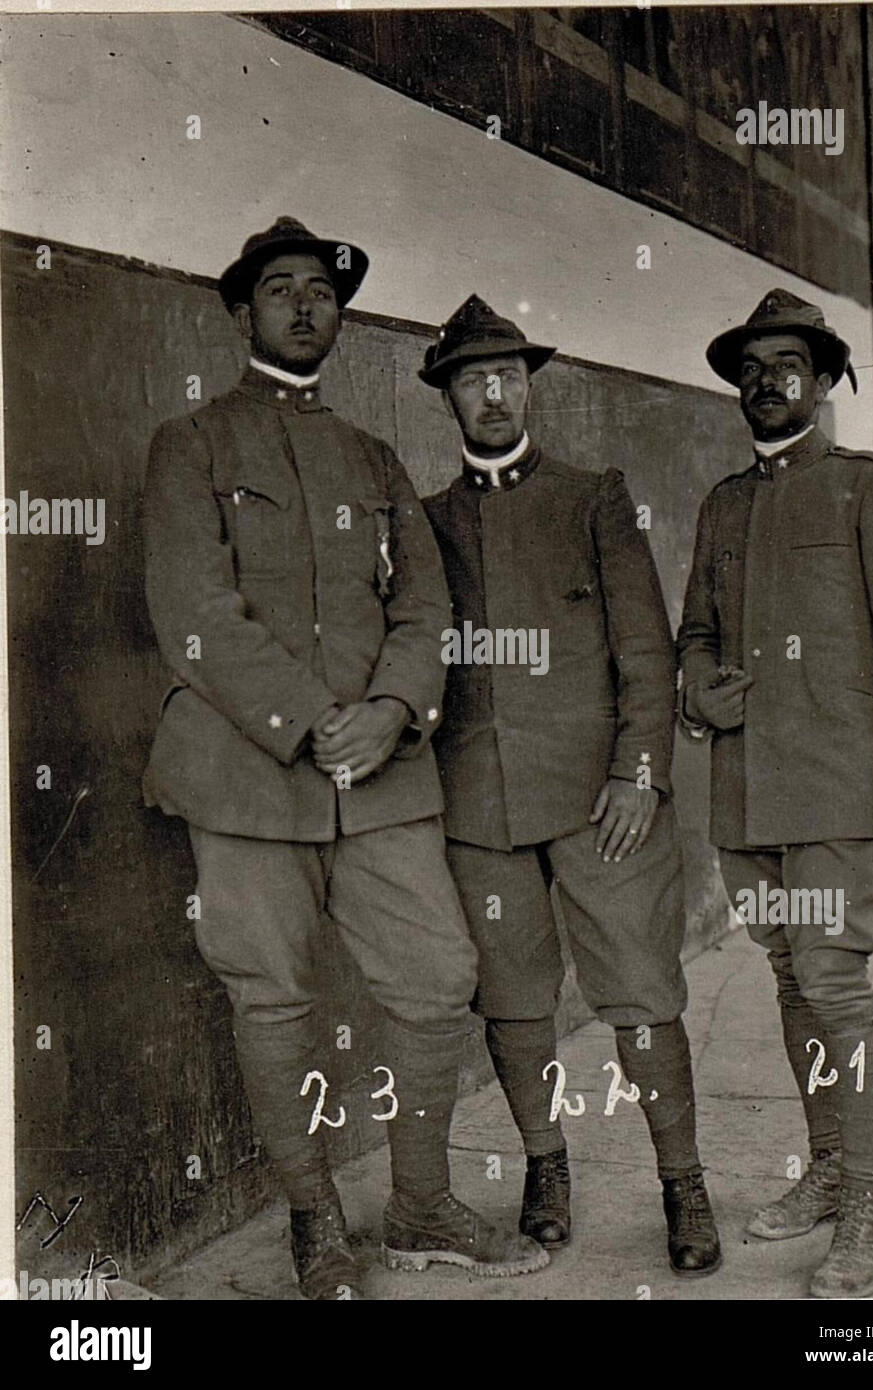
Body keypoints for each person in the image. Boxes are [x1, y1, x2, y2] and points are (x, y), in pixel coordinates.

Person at [142, 221, 547, 1299]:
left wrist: (394, 708)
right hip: (244, 775)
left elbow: (425, 605)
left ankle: (419, 1204)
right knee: (272, 1000)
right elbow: (192, 614)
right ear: (243, 315)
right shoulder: (192, 444)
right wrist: (313, 718)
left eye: (321, 290)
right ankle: (313, 1223)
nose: (305, 306)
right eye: (280, 290)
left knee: (438, 976)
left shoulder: (373, 460)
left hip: (383, 774)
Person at [419, 294, 721, 1277]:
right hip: (482, 808)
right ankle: (546, 1166)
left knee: (640, 995)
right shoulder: (427, 523)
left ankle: (684, 1182)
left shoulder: (595, 496)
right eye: (473, 379)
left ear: (529, 386)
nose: (494, 393)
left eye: (507, 375)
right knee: (513, 1004)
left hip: (602, 804)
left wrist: (641, 772)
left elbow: (645, 650)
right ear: (450, 398)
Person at [677, 288, 873, 1297]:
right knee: (795, 985)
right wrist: (698, 687)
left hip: (841, 791)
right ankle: (833, 1168)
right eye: (750, 365)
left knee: (836, 986)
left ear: (826, 377)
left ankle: (870, 1204)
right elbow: (696, 635)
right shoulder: (722, 504)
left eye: (787, 361)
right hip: (749, 794)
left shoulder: (870, 486)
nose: (766, 378)